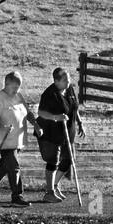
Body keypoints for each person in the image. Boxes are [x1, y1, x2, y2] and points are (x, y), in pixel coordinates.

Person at [0, 71, 37, 207]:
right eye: (14, 88)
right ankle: (17, 195)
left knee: (5, 166)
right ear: (6, 84)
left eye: (18, 88)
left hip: (17, 140)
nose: (16, 91)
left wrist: (36, 125)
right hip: (5, 141)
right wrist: (3, 127)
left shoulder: (18, 96)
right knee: (14, 167)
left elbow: (27, 113)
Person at [35, 67, 84, 203]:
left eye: (68, 79)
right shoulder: (49, 94)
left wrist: (79, 122)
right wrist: (56, 117)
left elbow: (74, 106)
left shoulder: (69, 89)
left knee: (69, 160)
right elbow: (41, 113)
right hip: (50, 132)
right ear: (56, 81)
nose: (68, 82)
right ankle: (49, 193)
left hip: (67, 132)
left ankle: (54, 185)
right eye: (65, 80)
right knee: (53, 161)